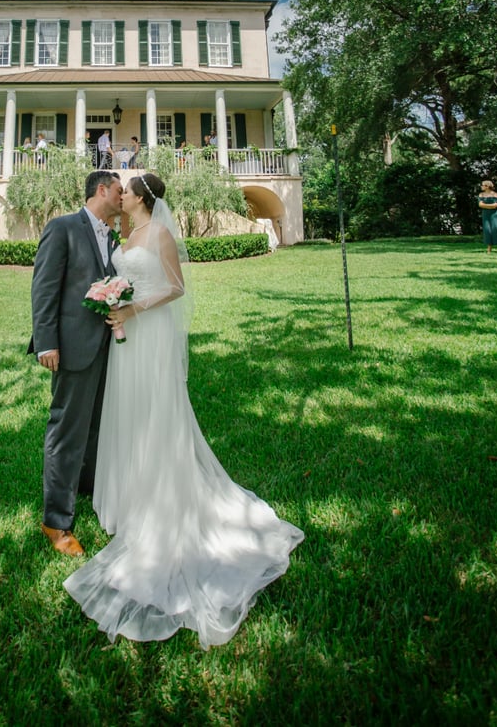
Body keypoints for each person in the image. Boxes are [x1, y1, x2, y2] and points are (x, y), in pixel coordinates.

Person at [64, 172, 304, 648]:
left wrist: (133, 309)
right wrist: (111, 298)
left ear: (142, 198)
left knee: (154, 412)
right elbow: (120, 276)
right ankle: (126, 495)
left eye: (128, 190)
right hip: (124, 340)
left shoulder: (161, 234)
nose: (121, 194)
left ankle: (158, 494)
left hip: (148, 334)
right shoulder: (127, 234)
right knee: (125, 413)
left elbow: (175, 288)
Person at [29, 171, 124, 558]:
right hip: (71, 348)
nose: (123, 198)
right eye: (119, 191)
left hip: (108, 348)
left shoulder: (114, 237)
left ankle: (85, 486)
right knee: (67, 429)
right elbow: (44, 287)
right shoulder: (63, 228)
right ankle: (56, 521)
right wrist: (46, 342)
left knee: (96, 426)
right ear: (101, 190)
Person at [479, 180, 497, 253]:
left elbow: (496, 205)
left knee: (496, 229)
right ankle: (489, 248)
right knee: (487, 229)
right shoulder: (481, 194)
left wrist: (486, 206)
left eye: (482, 185)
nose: (481, 186)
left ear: (487, 186)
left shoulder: (495, 194)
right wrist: (491, 206)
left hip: (494, 214)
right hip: (485, 214)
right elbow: (480, 204)